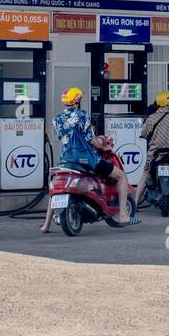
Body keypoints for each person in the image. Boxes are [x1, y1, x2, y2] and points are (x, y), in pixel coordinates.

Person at [41, 87, 135, 232]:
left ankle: (46, 224)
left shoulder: (57, 120)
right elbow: (91, 140)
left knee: (55, 187)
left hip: (66, 160)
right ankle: (122, 214)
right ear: (77, 100)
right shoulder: (82, 115)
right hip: (88, 159)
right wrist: (104, 148)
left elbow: (65, 137)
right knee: (121, 176)